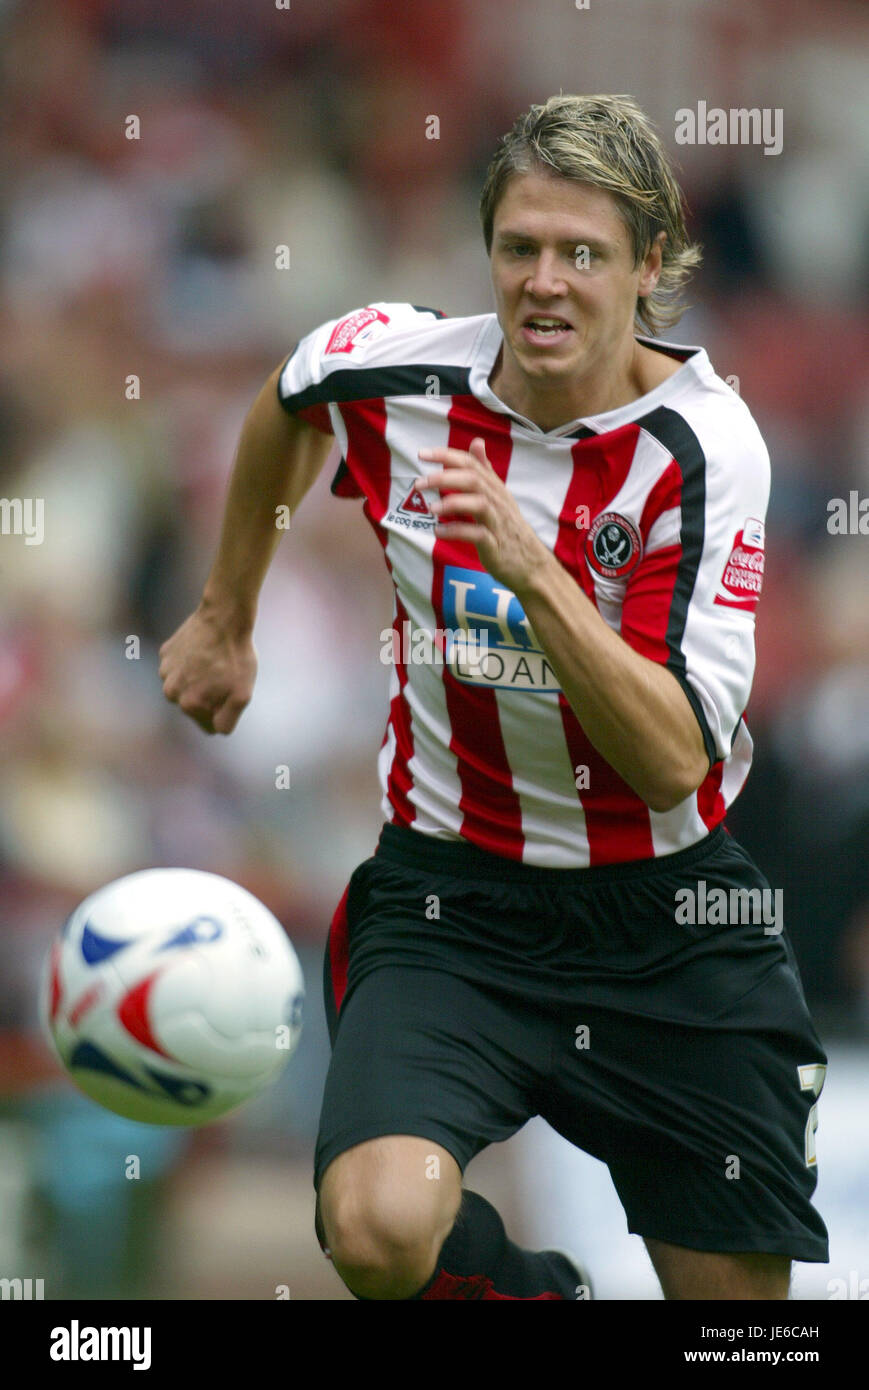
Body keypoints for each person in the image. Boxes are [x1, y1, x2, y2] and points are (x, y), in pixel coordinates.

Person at [159, 94, 829, 1300]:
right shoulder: (399, 369)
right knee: (372, 1229)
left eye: (581, 253)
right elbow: (288, 403)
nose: (543, 282)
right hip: (450, 899)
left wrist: (531, 570)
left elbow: (674, 757)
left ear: (647, 269)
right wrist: (225, 614)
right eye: (518, 246)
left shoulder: (703, 447)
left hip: (666, 920)